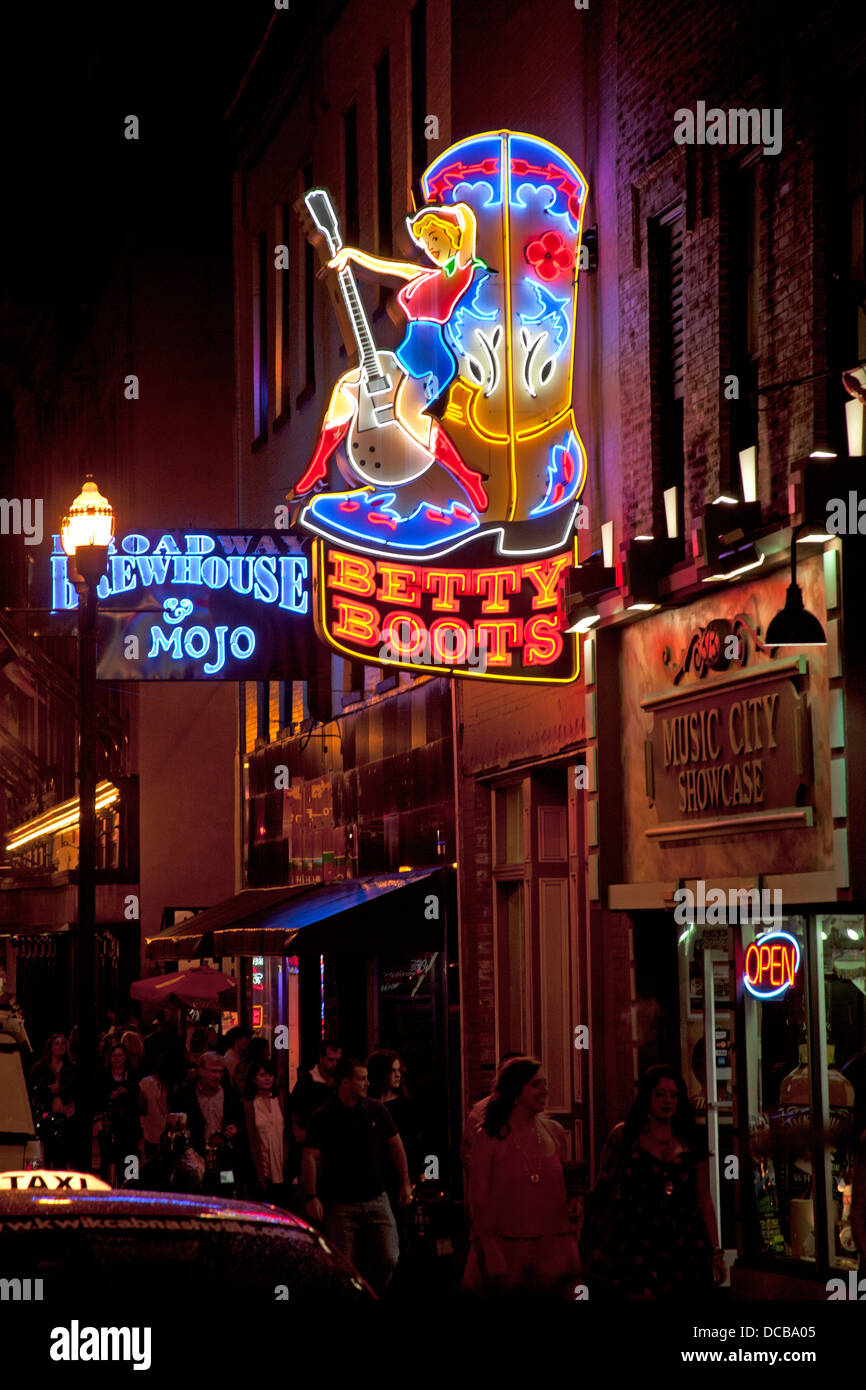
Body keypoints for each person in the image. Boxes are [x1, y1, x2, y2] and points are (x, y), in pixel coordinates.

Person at [582, 1064, 724, 1299]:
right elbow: (603, 1193)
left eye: (673, 1095)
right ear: (647, 1096)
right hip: (636, 1242)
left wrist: (715, 1251)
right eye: (660, 1094)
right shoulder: (625, 1137)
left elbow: (704, 1200)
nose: (667, 1101)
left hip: (685, 1243)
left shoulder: (690, 1139)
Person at [463, 1056, 582, 1299]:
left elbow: (569, 1185)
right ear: (515, 1090)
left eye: (545, 1084)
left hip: (553, 1247)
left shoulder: (555, 1133)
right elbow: (478, 1198)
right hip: (508, 1247)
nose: (545, 1090)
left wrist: (575, 1202)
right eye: (536, 1085)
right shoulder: (489, 1136)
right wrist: (490, 1247)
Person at [301, 1057, 412, 1295]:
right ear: (345, 1082)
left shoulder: (376, 1110)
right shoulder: (324, 1116)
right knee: (342, 1266)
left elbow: (396, 1146)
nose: (367, 1083)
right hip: (339, 1203)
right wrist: (311, 1196)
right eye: (361, 1079)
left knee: (389, 1258)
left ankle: (369, 1293)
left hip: (375, 1198)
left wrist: (405, 1183)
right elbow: (310, 1158)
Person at [175, 1051, 246, 1166]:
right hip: (195, 1160)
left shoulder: (230, 1094)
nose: (217, 1076)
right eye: (213, 1071)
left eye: (220, 1072)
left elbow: (242, 1121)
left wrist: (236, 1129)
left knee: (227, 1182)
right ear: (200, 1070)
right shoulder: (185, 1095)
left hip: (225, 1159)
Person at [28, 1033, 80, 1168]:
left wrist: (61, 1089)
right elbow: (32, 1089)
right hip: (45, 1117)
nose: (60, 1046)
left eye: (63, 1043)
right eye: (56, 1043)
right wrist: (48, 1089)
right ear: (50, 1048)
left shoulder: (72, 1068)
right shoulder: (39, 1068)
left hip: (66, 1118)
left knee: (61, 1157)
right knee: (45, 1155)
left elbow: (76, 1089)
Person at [243, 1059, 289, 1207]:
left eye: (270, 1074)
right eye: (262, 1075)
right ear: (254, 1079)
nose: (268, 1078)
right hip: (261, 1166)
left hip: (282, 1164)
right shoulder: (249, 1104)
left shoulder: (281, 1098)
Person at [94, 1042, 141, 1182]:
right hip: (109, 1124)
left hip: (129, 1124)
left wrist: (125, 1094)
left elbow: (135, 1097)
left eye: (120, 1055)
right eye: (114, 1055)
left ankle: (129, 1188)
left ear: (125, 1057)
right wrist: (110, 1096)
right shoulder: (103, 1076)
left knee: (129, 1157)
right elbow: (98, 1098)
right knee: (107, 1158)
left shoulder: (133, 1076)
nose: (117, 1058)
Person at [138, 1037, 187, 1158]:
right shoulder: (179, 1086)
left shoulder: (146, 1083)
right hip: (172, 1138)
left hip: (151, 1136)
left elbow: (141, 1110)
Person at [290, 1040, 341, 1148]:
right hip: (312, 1139)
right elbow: (294, 1109)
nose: (335, 1064)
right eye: (331, 1060)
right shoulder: (307, 1081)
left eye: (338, 1060)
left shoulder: (341, 1081)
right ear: (321, 1058)